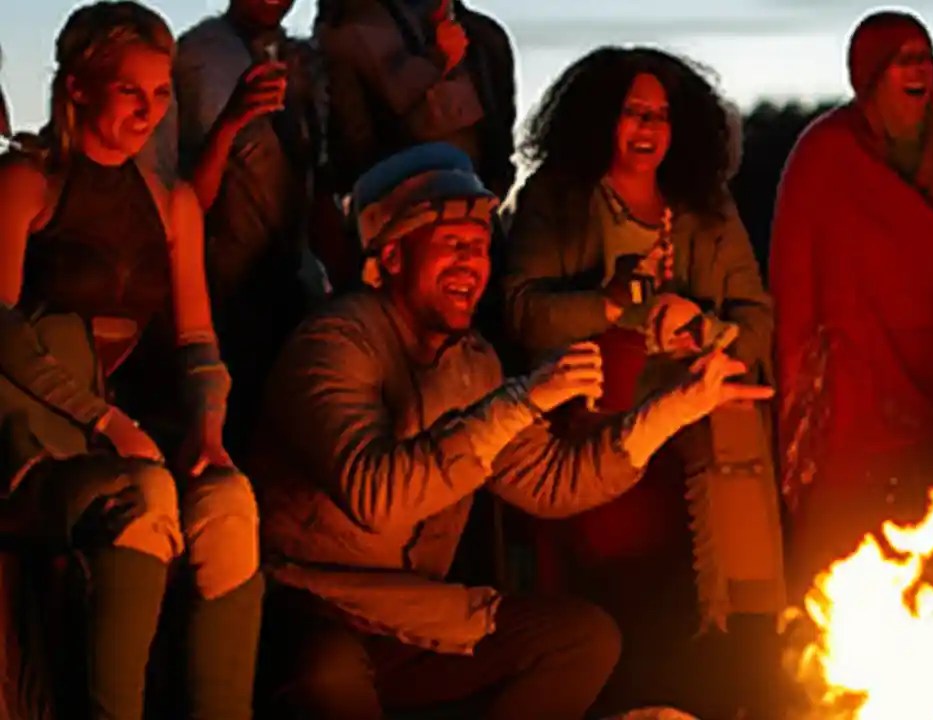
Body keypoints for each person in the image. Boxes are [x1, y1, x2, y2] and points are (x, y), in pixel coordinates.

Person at [250, 141, 773, 720]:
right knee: (326, 675)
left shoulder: (472, 362)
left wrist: (673, 410)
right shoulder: (334, 344)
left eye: (478, 248)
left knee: (580, 639)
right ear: (392, 256)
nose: (471, 265)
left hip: (411, 616)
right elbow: (378, 496)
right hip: (318, 608)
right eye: (451, 245)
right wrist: (524, 401)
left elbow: (551, 482)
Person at [504, 46, 784, 718]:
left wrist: (704, 329)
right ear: (601, 117)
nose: (648, 127)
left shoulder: (705, 208)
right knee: (617, 610)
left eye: (661, 113)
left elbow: (757, 321)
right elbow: (522, 313)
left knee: (700, 617)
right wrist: (611, 309)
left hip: (701, 454)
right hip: (594, 441)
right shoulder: (557, 198)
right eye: (633, 111)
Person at [0, 3, 261, 719]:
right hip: (34, 437)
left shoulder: (171, 201)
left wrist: (209, 426)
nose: (149, 111)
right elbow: (2, 327)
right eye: (130, 91)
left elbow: (197, 339)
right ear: (78, 87)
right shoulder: (29, 182)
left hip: (129, 433)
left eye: (162, 94)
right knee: (144, 499)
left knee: (230, 505)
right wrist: (105, 421)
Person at [770, 10, 933, 596]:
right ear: (868, 75)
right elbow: (794, 277)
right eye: (902, 58)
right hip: (858, 381)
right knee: (849, 546)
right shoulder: (825, 152)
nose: (918, 69)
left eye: (925, 56)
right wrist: (797, 391)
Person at [148, 0, 329, 459]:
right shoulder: (199, 58)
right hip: (220, 286)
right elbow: (184, 191)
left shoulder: (301, 60)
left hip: (292, 282)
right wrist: (233, 121)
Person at [316, 0, 516, 198]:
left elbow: (499, 150)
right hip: (396, 204)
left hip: (471, 201)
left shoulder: (482, 39)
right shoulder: (349, 37)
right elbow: (349, 158)